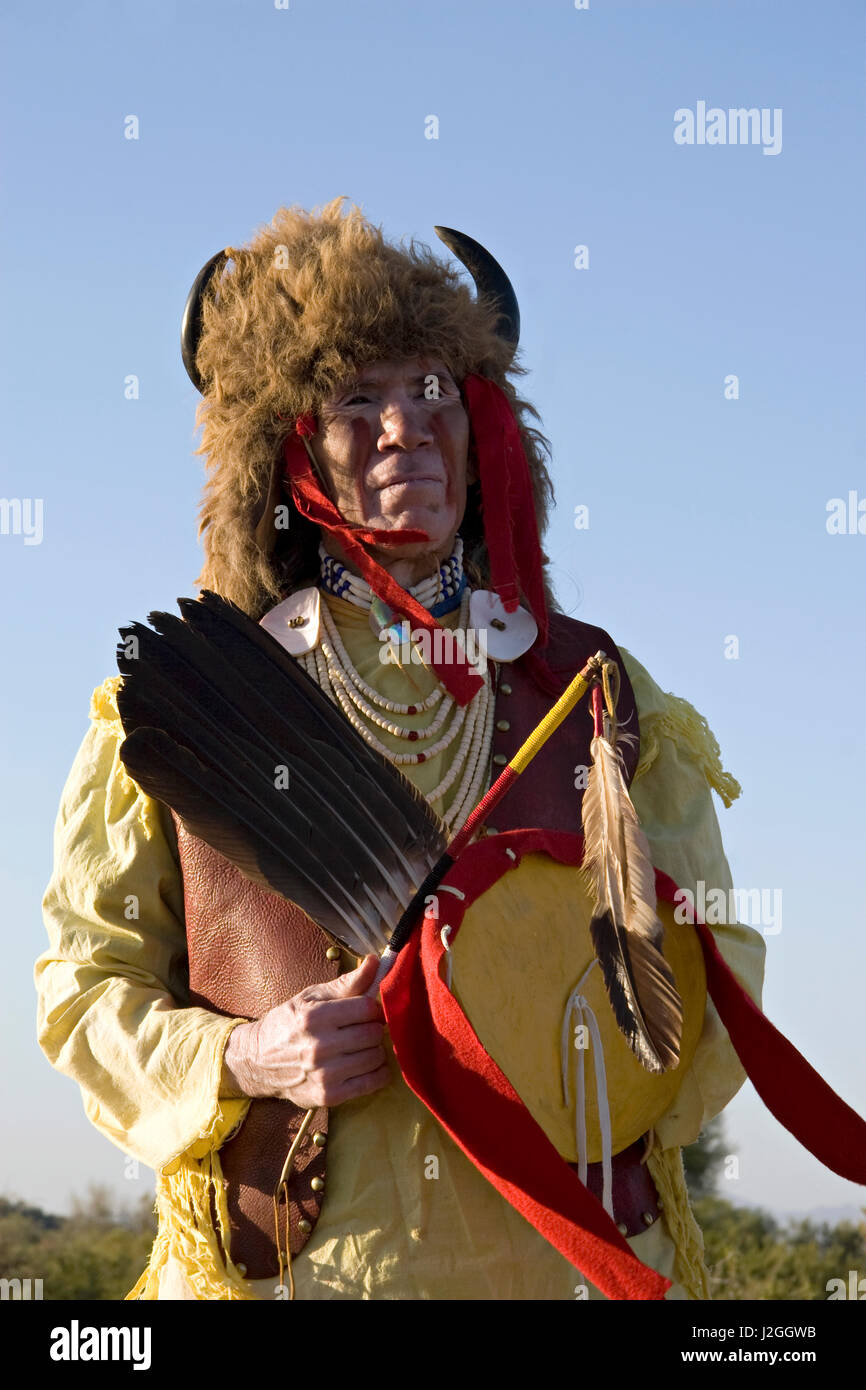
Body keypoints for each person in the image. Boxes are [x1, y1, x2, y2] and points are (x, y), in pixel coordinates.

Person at [36, 197, 765, 1300]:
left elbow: (718, 962)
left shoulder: (591, 691)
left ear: (479, 428)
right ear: (289, 449)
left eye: (432, 390)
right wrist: (246, 1055)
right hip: (288, 1276)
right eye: (355, 397)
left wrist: (578, 1045)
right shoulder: (185, 709)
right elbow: (84, 991)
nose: (402, 426)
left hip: (557, 1271)